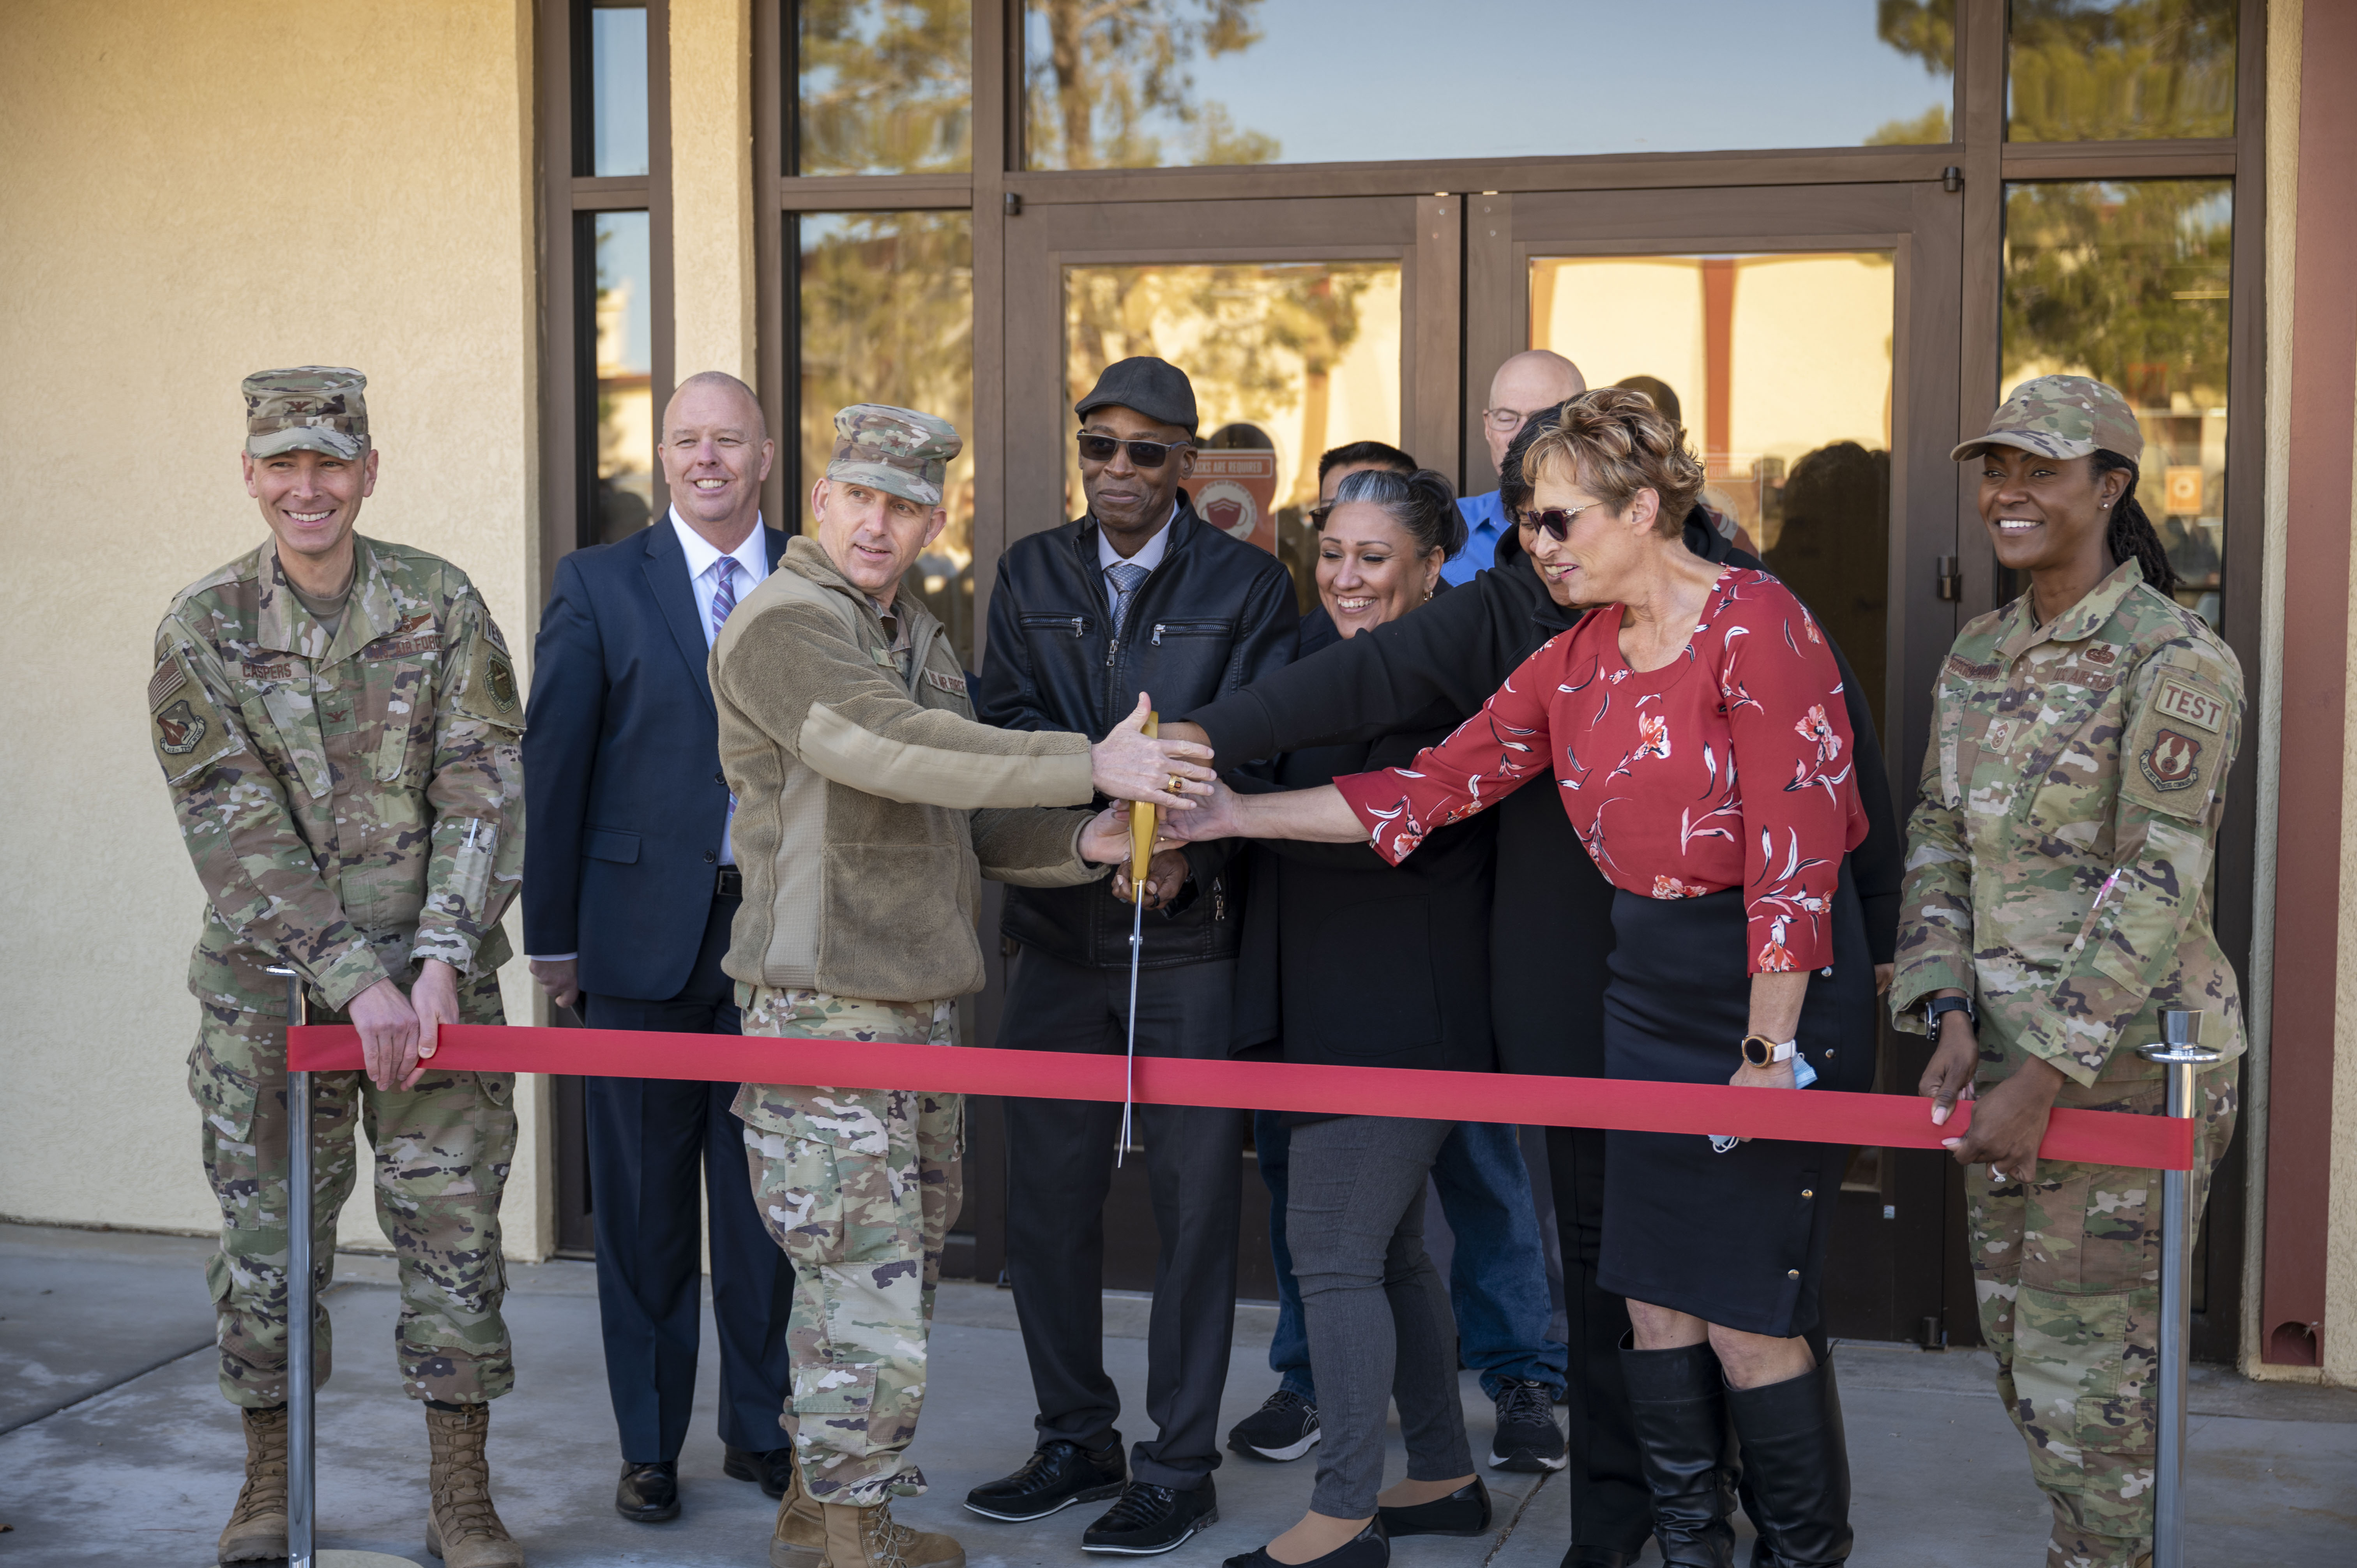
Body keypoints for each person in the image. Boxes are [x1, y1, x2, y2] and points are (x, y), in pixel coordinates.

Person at [1164, 395, 1902, 1568]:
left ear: (1642, 509)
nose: (1533, 544)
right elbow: (1424, 789)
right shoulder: (1578, 655)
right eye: (1524, 521)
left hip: (1759, 1003)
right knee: (1652, 1309)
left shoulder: (1760, 623)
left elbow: (1796, 863)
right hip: (1640, 1000)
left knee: (1748, 1320)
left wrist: (1769, 1056)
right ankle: (1689, 1551)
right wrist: (1231, 811)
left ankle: (1801, 1555)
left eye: (1557, 520)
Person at [708, 403, 1208, 1568]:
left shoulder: (911, 631)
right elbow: (880, 746)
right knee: (864, 1289)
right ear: (820, 500)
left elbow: (958, 811)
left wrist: (1081, 839)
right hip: (825, 1007)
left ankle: (818, 1515)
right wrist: (1089, 760)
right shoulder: (786, 622)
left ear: (935, 524)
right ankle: (856, 1537)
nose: (877, 525)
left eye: (905, 507)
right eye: (859, 498)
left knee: (882, 1281)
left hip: (919, 1007)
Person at [153, 367, 528, 1568]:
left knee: (454, 1239)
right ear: (250, 475)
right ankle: (269, 1484)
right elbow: (237, 829)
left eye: (330, 462)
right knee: (266, 1253)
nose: (306, 487)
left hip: (437, 995)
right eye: (284, 464)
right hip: (270, 1001)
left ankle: (461, 1493)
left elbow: (485, 784)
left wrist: (440, 957)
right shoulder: (202, 626)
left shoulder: (440, 601)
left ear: (370, 471)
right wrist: (356, 979)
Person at [1896, 376, 2245, 1568]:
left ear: (2111, 488)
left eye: (2042, 471)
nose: (2011, 492)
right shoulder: (1981, 651)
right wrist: (1948, 1011)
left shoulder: (2173, 657)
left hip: (2124, 1075)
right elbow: (1940, 832)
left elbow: (2158, 879)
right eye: (1999, 468)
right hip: (2001, 1061)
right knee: (2024, 1362)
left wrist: (2040, 1077)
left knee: (2091, 1390)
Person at [964, 356, 1299, 1556]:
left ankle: (1177, 1466)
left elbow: (1261, 742)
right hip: (1056, 931)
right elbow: (1003, 732)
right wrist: (1090, 835)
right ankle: (1075, 1437)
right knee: (1045, 1207)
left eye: (1144, 451)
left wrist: (1180, 854)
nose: (1116, 469)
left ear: (1186, 464)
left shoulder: (1250, 585)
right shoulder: (1028, 572)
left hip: (1191, 940)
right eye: (1096, 445)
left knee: (1197, 1212)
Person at [1229, 456, 1571, 1475]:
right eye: (1331, 553)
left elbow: (1401, 817)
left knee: (1355, 1246)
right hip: (1301, 994)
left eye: (1373, 559)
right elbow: (1240, 765)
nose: (1346, 577)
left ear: (1433, 570)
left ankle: (1357, 1500)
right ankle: (1432, 1469)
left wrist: (1236, 813)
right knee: (1378, 1247)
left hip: (1416, 1010)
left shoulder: (1474, 677)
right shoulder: (1289, 659)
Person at [520, 370, 798, 1524]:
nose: (707, 459)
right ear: (665, 456)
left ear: (765, 455)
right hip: (636, 942)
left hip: (782, 940)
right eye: (686, 440)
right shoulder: (597, 584)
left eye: (728, 439)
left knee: (769, 1205)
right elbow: (555, 765)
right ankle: (648, 1443)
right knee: (641, 1213)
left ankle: (761, 1427)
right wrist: (551, 939)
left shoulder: (816, 578)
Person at [1447, 350, 1586, 586]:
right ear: (1488, 427)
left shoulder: (1608, 527)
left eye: (1542, 420)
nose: (1520, 436)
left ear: (1583, 422)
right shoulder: (1447, 527)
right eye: (1505, 418)